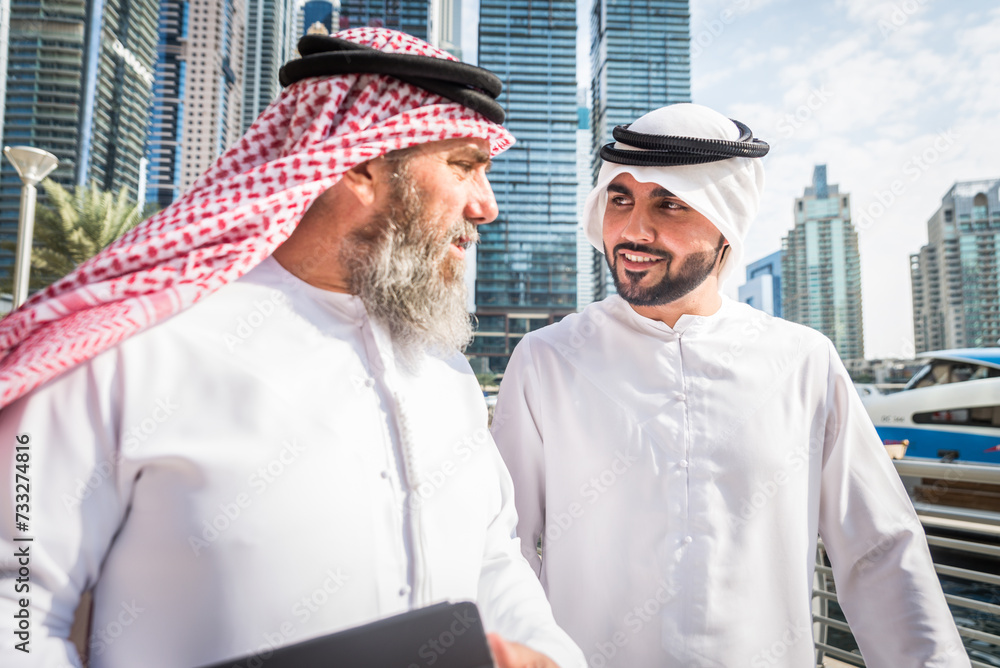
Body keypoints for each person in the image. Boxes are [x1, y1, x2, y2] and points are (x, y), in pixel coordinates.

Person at [0, 29, 584, 668]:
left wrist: (550, 657)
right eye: (464, 166)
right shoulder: (133, 351)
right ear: (363, 162)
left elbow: (493, 558)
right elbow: (18, 603)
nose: (487, 206)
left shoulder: (443, 372)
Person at [491, 103, 970, 667]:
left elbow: (879, 554)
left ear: (727, 225)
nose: (633, 230)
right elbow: (502, 548)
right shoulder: (546, 361)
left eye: (669, 203)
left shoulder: (802, 362)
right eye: (619, 199)